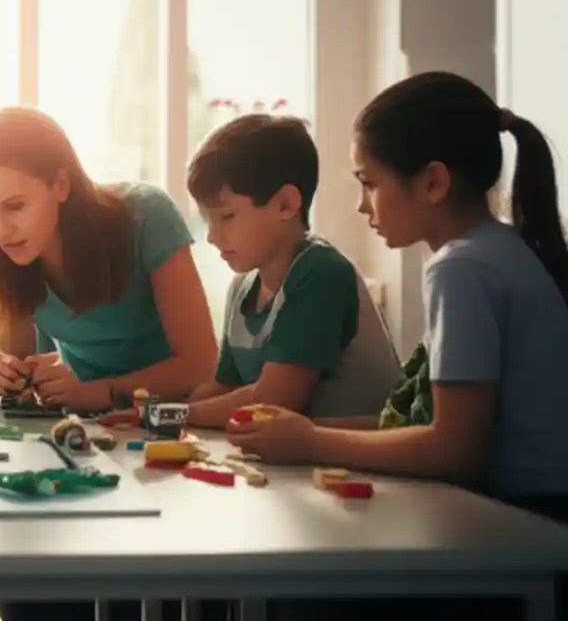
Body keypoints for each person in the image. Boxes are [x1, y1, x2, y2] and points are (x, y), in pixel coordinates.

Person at [227, 71, 568, 620]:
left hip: (526, 527)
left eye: (369, 183)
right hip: (523, 518)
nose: (362, 206)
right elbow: (434, 426)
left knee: (296, 589)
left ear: (433, 182)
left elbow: (454, 450)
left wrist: (313, 440)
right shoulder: (498, 249)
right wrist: (299, 431)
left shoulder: (461, 268)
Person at [0, 106, 217, 621]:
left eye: (14, 205)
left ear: (61, 183)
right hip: (93, 432)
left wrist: (95, 391)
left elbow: (199, 364)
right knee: (19, 577)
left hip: (177, 426)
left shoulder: (145, 215)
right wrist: (5, 376)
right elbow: (21, 364)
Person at [182, 114, 401, 429]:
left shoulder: (321, 274)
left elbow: (273, 401)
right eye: (207, 219)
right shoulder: (243, 287)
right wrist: (152, 413)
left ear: (286, 204)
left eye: (226, 216)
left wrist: (172, 416)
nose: (212, 237)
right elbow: (224, 388)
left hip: (362, 456)